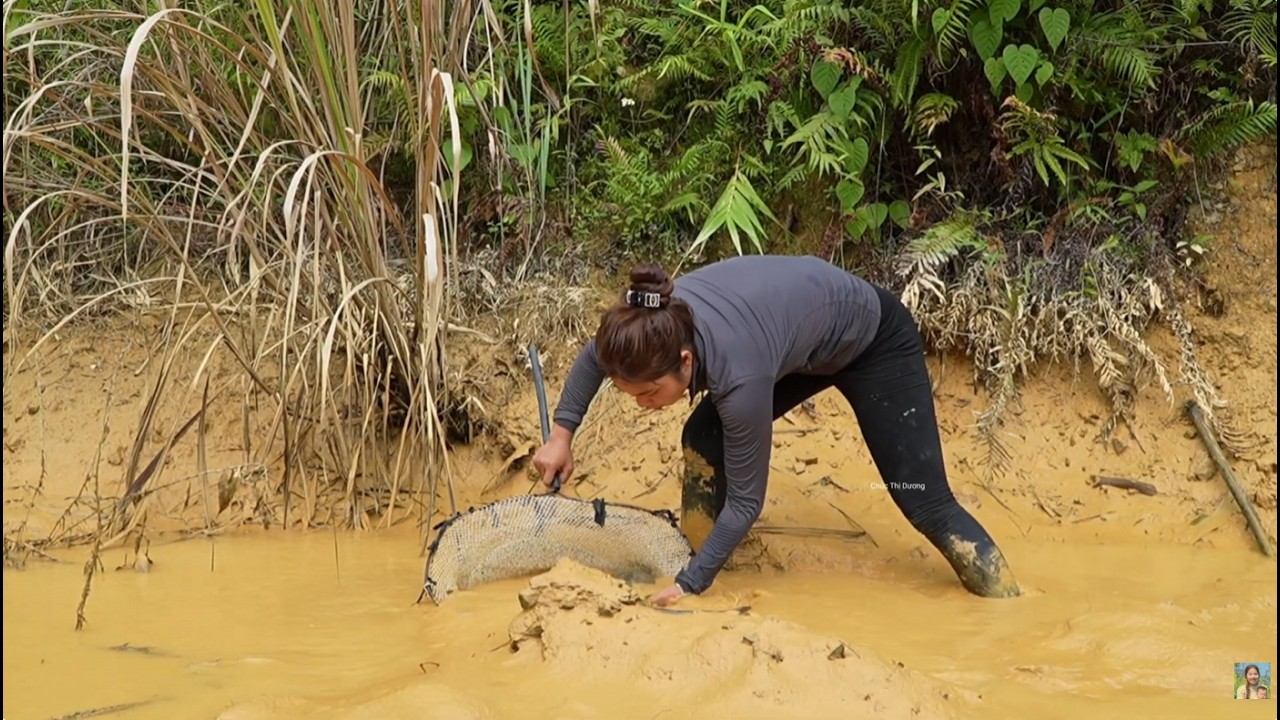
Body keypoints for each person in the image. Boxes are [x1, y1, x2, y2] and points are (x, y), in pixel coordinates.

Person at [532, 255, 1021, 606]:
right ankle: (699, 549)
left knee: (923, 498)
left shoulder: (739, 374)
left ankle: (1006, 597)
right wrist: (561, 436)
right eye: (633, 394)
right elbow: (595, 358)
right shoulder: (645, 324)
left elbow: (747, 501)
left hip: (873, 341)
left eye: (650, 393)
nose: (644, 405)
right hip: (798, 341)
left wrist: (692, 585)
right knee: (703, 438)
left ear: (685, 360)